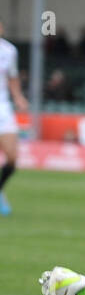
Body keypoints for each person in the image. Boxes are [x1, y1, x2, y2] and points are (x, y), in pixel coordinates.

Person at [0, 19, 27, 216]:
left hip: (3, 107)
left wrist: (18, 97)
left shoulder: (9, 51)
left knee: (12, 157)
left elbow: (12, 76)